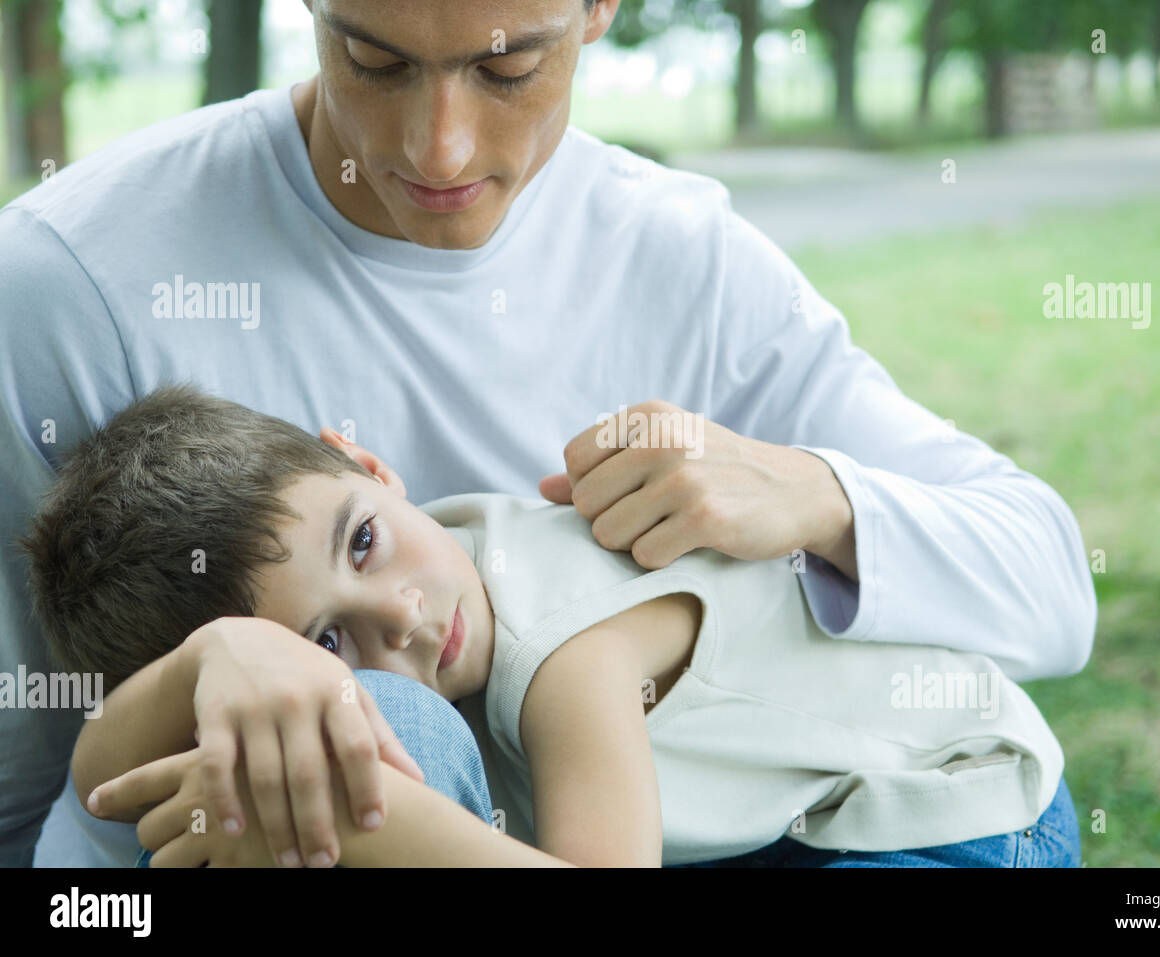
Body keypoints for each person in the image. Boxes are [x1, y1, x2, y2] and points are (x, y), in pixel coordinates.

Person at [0, 0, 1096, 868]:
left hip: (877, 818)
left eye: (508, 67)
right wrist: (189, 679)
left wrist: (814, 492)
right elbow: (37, 828)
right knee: (367, 728)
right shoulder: (68, 284)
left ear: (601, 8)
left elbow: (1050, 585)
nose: (439, 146)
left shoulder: (683, 260)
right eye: (373, 60)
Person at [25, 385, 1076, 867]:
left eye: (363, 545)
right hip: (783, 815)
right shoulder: (446, 561)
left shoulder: (564, 637)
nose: (398, 615)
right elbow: (96, 782)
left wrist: (374, 833)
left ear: (370, 467)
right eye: (324, 645)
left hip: (955, 817)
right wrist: (207, 664)